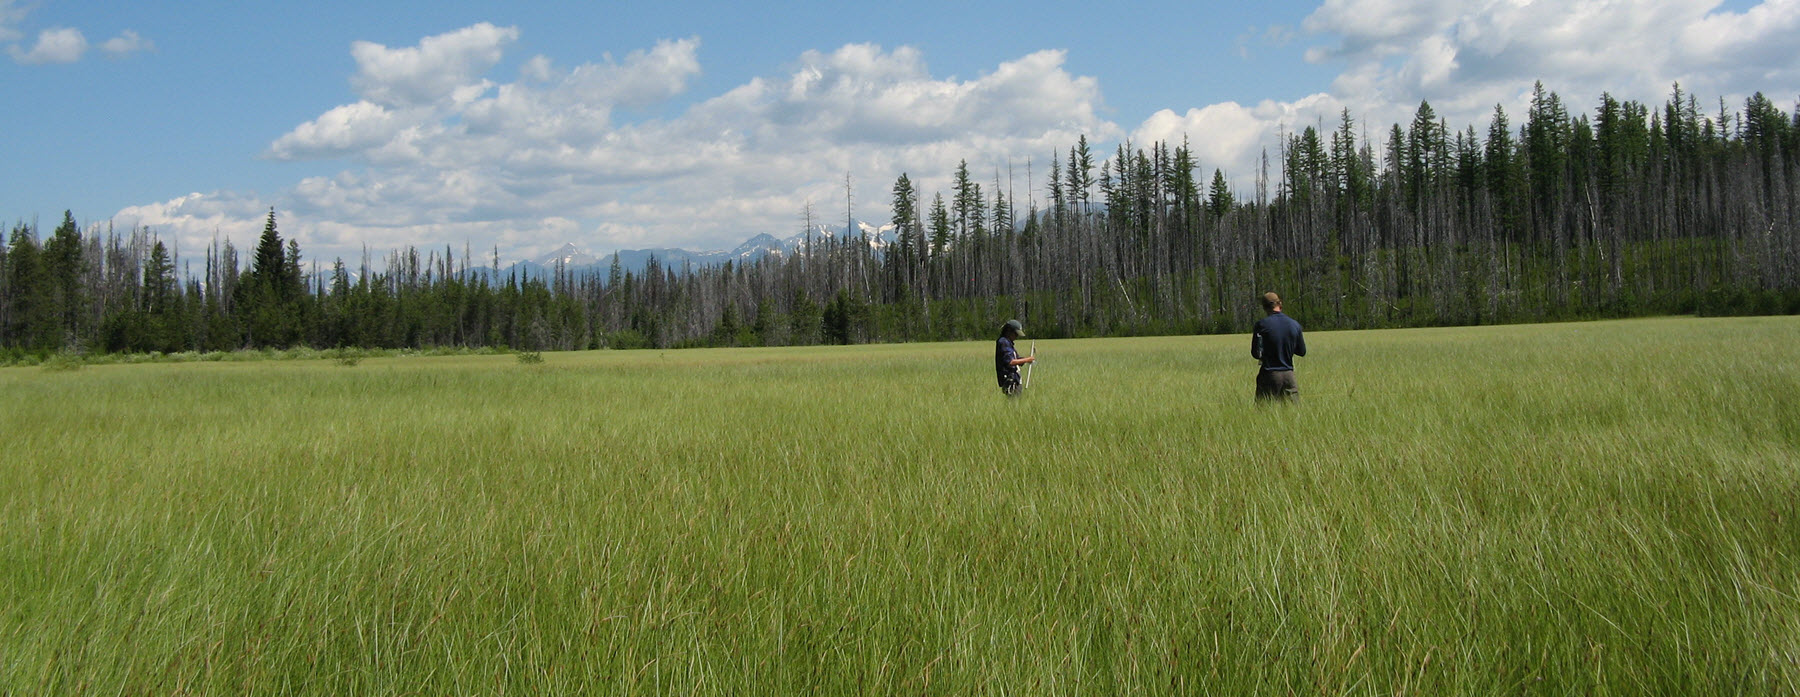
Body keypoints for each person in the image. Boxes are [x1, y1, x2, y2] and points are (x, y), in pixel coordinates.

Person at [1251, 292, 1305, 403]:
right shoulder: (1295, 324)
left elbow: (1256, 353)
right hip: (1289, 376)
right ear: (1280, 304)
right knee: (1293, 413)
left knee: (1264, 412)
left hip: (1269, 375)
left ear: (1265, 307)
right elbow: (1302, 351)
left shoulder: (1261, 325)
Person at [995, 319, 1036, 397]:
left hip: (1015, 379)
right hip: (1010, 381)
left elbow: (1016, 359)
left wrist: (1026, 360)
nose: (1016, 337)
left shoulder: (1008, 343)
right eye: (1015, 334)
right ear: (1009, 331)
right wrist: (1027, 359)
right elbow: (1010, 362)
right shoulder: (1003, 342)